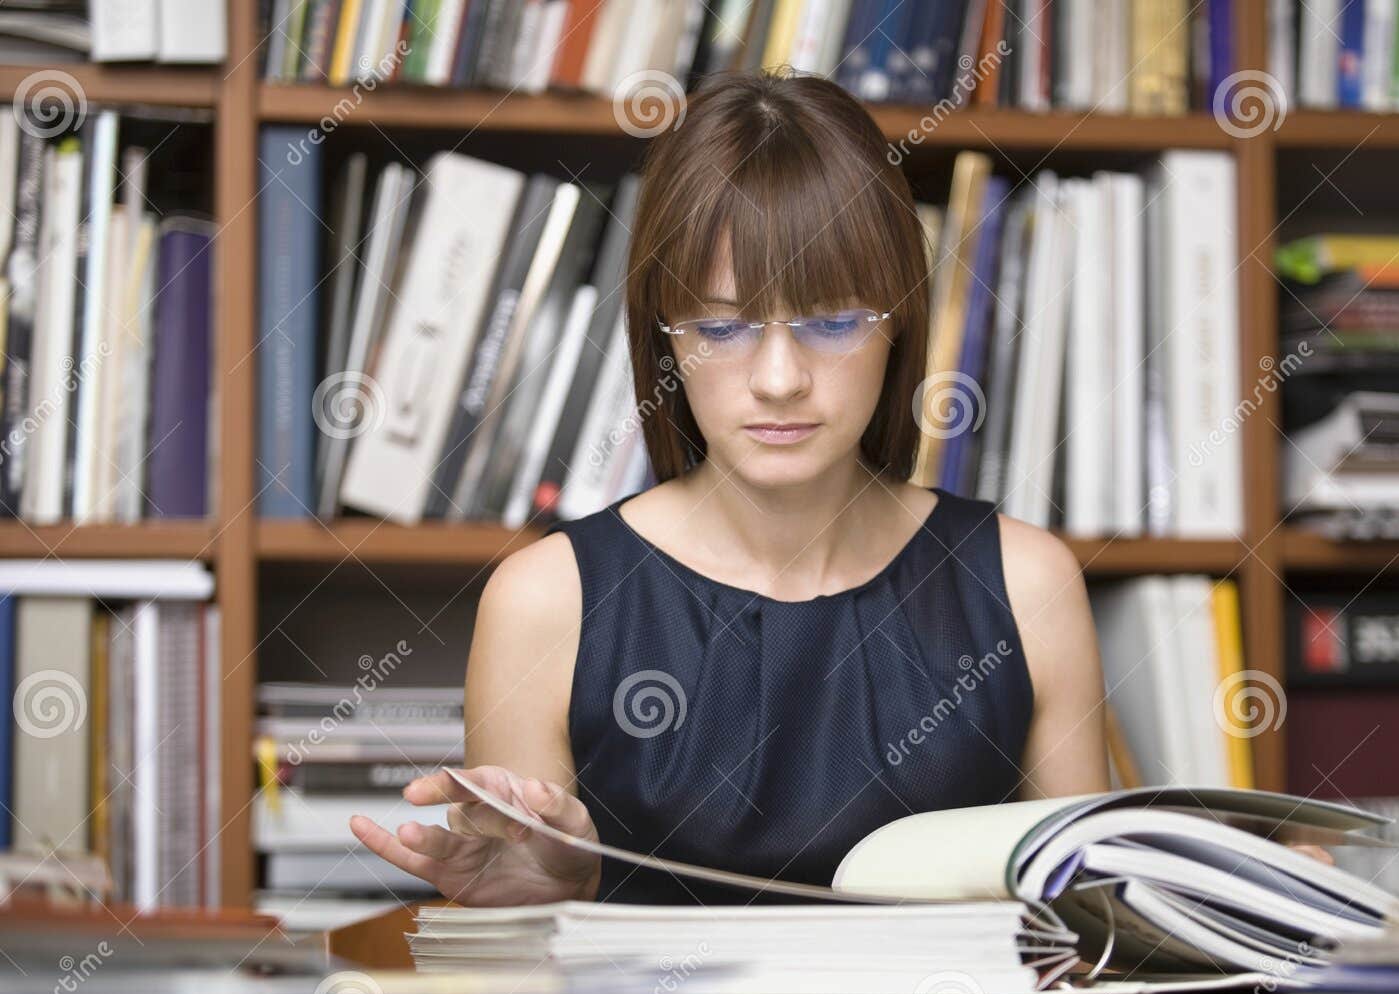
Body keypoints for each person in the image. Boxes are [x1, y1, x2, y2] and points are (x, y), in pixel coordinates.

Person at [350, 70, 1311, 906]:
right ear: (664, 342)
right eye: (721, 327)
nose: (779, 379)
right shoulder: (545, 600)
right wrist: (532, 899)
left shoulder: (1026, 584)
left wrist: (1234, 886)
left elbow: (1076, 935)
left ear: (900, 326)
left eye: (832, 320)